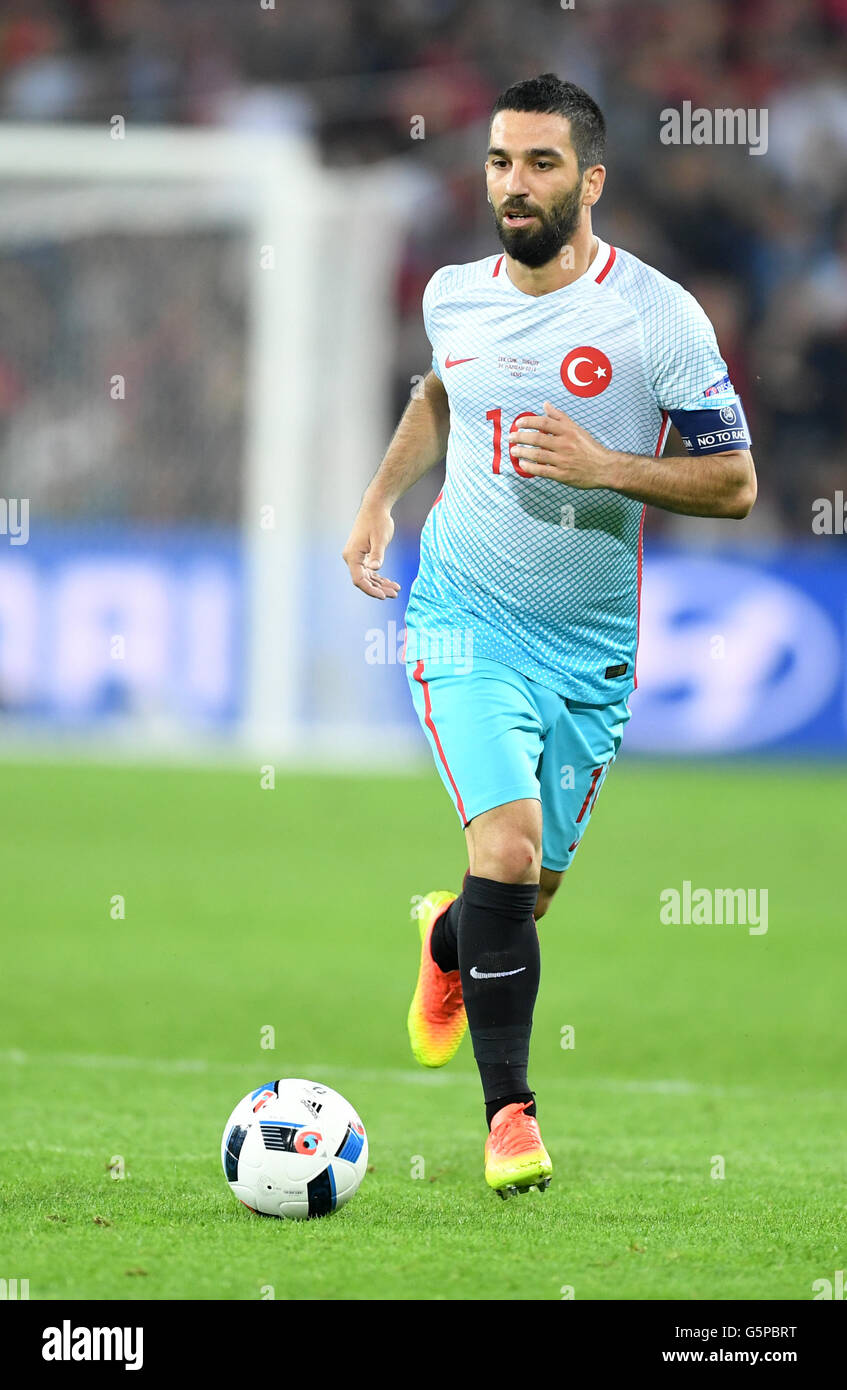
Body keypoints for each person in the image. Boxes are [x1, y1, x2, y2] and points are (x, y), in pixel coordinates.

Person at [342, 74, 756, 1199]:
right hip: (465, 618)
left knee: (523, 894)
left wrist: (606, 465)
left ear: (592, 180)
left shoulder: (655, 316)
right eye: (498, 163)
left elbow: (735, 483)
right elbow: (441, 396)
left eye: (539, 165)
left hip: (590, 651)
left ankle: (446, 947)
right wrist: (382, 498)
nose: (513, 186)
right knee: (510, 851)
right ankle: (510, 1116)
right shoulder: (452, 294)